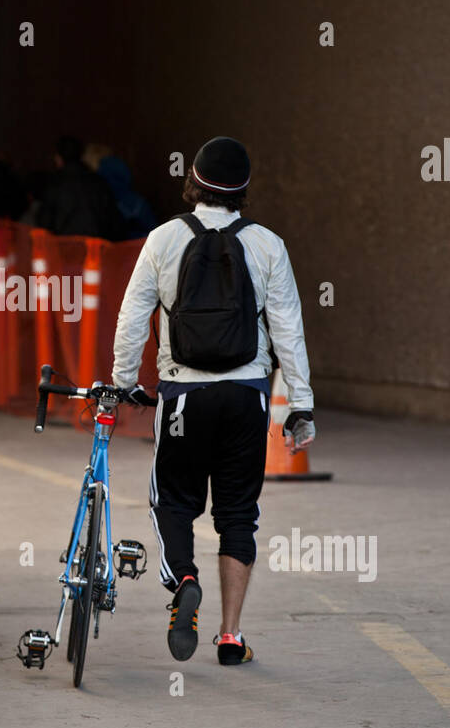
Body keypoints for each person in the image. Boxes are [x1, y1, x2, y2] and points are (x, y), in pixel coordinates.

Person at [111, 136, 315, 666]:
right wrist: (302, 404)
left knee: (173, 501)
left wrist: (123, 379)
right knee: (238, 515)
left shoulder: (162, 239)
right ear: (245, 190)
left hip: (183, 393)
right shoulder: (268, 244)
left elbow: (133, 317)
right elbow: (288, 329)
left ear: (192, 182)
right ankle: (230, 637)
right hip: (247, 396)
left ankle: (184, 579)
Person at [38, 134, 123, 240]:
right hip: (95, 250)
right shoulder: (98, 182)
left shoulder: (54, 184)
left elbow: (44, 224)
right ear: (81, 155)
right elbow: (114, 222)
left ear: (59, 157)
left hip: (63, 250)